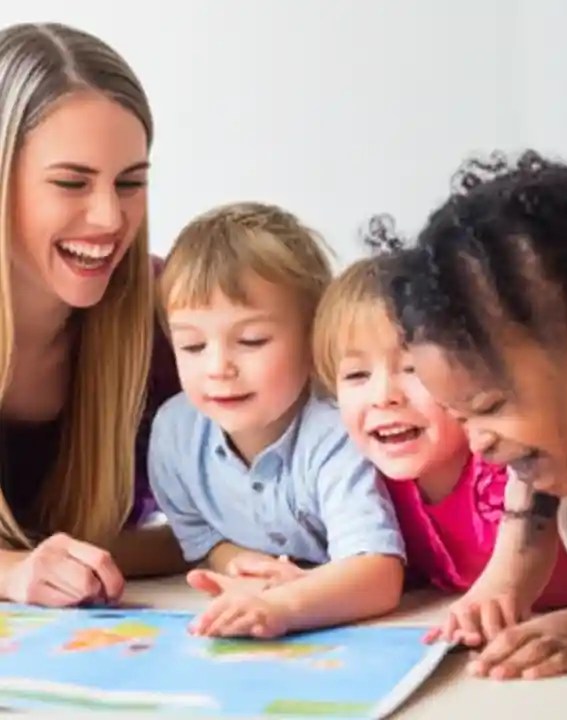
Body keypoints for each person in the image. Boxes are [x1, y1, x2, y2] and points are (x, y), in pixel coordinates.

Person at [379, 150, 567, 680]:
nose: (478, 444)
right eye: (458, 416)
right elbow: (523, 542)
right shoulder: (553, 457)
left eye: (491, 407)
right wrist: (495, 595)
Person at [148, 202, 405, 638]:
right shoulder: (175, 434)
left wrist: (282, 606)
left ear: (313, 339)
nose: (218, 367)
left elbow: (378, 574)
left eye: (251, 340)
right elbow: (201, 538)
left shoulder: (333, 431)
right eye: (192, 346)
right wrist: (236, 562)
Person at [0, 22, 187, 608]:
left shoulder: (172, 316)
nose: (109, 218)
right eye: (71, 183)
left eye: (130, 182)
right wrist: (10, 572)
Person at [304, 251, 567, 611]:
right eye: (356, 375)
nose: (383, 397)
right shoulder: (372, 487)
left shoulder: (506, 462)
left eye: (412, 369)